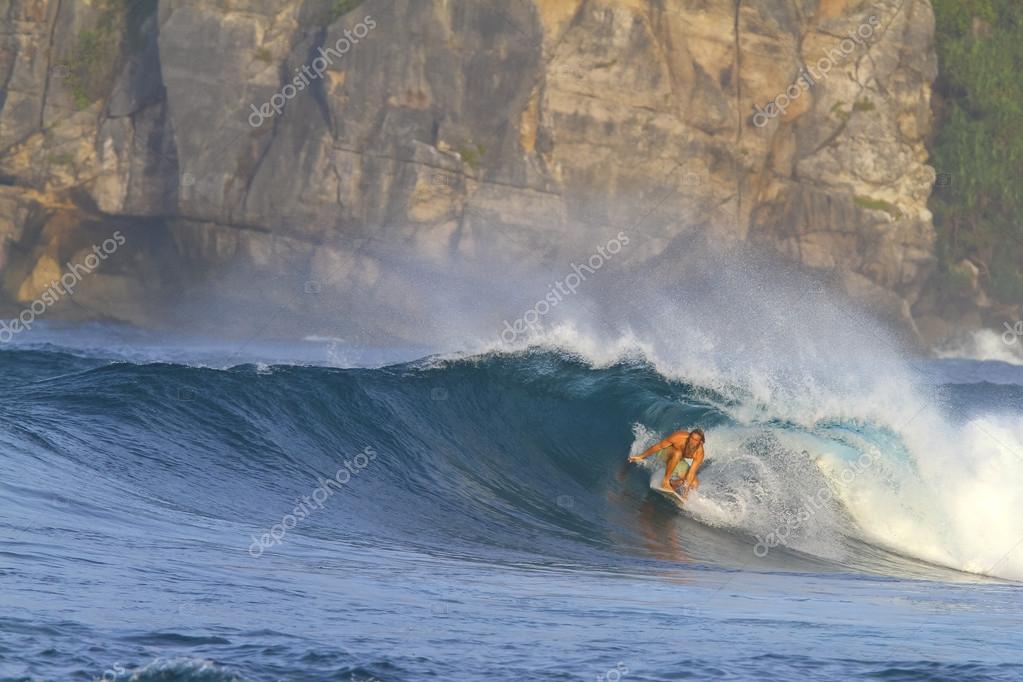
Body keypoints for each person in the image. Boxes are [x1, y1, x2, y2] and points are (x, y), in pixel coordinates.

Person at [628, 428, 706, 499]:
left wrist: (685, 494)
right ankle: (665, 481)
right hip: (664, 454)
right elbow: (659, 446)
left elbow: (691, 473)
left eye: (695, 440)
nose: (692, 441)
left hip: (678, 460)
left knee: (694, 483)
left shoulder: (699, 453)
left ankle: (672, 483)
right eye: (691, 438)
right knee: (678, 453)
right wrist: (641, 456)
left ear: (701, 442)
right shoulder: (679, 437)